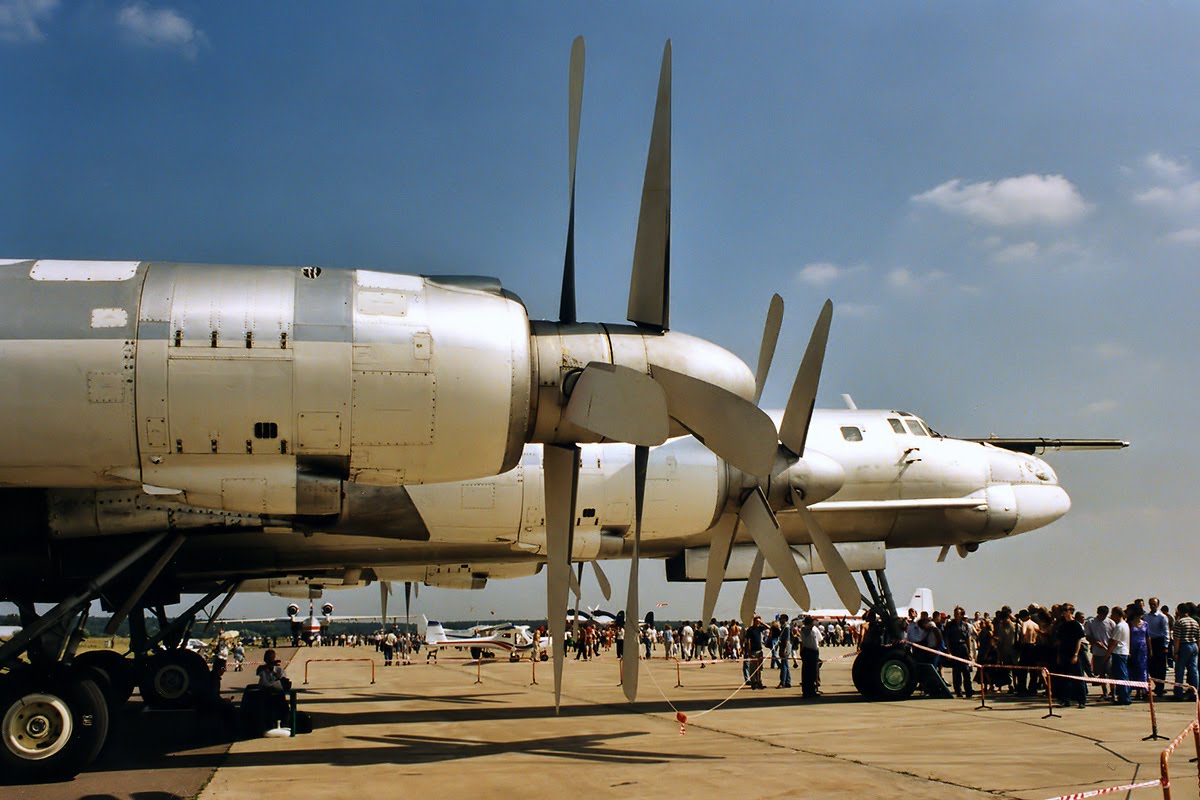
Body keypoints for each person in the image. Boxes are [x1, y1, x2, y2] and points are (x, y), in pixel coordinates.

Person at [944, 606, 974, 698]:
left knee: (966, 670)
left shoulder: (965, 625)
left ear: (962, 615)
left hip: (963, 647)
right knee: (956, 671)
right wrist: (948, 652)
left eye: (958, 614)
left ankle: (968, 690)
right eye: (955, 613)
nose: (957, 615)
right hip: (954, 648)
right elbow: (947, 639)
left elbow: (968, 638)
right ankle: (958, 691)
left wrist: (970, 652)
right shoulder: (950, 625)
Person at [1085, 606, 1114, 700]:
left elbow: (1114, 637)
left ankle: (1113, 693)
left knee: (1111, 674)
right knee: (1101, 674)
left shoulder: (1110, 622)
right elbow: (1087, 636)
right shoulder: (1091, 622)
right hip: (1097, 652)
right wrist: (1095, 642)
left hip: (1108, 652)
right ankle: (1104, 692)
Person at [1172, 602, 1199, 701]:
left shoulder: (1180, 622)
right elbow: (1198, 637)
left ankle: (1178, 693)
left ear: (1179, 611)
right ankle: (1195, 692)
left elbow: (1177, 639)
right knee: (1194, 670)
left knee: (1180, 670)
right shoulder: (1194, 622)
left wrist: (1175, 652)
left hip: (1184, 646)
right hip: (1194, 645)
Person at [1107, 607, 1132, 705]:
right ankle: (1124, 695)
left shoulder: (1120, 626)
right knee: (1122, 675)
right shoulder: (1125, 625)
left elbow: (1114, 642)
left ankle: (1124, 697)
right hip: (1123, 652)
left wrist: (1107, 655)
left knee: (1121, 676)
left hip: (1119, 653)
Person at [1146, 597, 1170, 697]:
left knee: (1160, 667)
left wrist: (1166, 645)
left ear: (1157, 605)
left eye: (1154, 604)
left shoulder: (1162, 617)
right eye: (1151, 604)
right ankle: (1156, 683)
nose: (1152, 606)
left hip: (1159, 642)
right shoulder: (1145, 616)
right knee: (1151, 666)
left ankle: (1160, 687)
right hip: (1149, 642)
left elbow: (1166, 632)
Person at [1127, 606, 1149, 700]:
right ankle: (1137, 691)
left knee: (1142, 669)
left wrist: (1150, 649)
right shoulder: (1130, 624)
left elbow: (1148, 637)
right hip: (1133, 648)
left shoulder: (1145, 624)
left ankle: (1144, 689)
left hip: (1143, 648)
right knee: (1134, 669)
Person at [800, 616, 822, 698]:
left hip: (812, 651)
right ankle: (808, 691)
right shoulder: (806, 629)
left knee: (811, 672)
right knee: (809, 672)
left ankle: (810, 690)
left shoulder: (813, 629)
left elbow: (819, 639)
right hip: (809, 651)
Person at [744, 614, 767, 689]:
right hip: (753, 651)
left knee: (759, 668)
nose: (758, 623)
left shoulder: (760, 628)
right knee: (753, 668)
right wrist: (749, 650)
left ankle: (759, 682)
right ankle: (753, 682)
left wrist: (762, 622)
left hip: (759, 650)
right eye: (756, 621)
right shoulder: (750, 630)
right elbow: (748, 640)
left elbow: (769, 628)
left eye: (758, 621)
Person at [773, 614, 792, 689]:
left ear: (785, 619)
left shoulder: (786, 627)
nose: (780, 619)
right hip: (783, 646)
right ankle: (788, 681)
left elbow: (787, 639)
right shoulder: (783, 627)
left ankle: (783, 682)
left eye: (781, 618)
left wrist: (784, 649)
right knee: (786, 664)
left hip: (785, 647)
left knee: (784, 665)